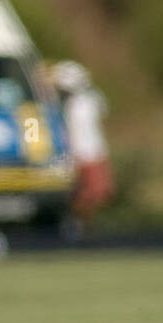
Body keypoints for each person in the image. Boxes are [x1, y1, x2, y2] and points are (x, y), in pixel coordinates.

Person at [48, 60, 115, 230]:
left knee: (98, 193)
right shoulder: (63, 104)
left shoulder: (87, 100)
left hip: (92, 152)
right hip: (76, 154)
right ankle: (72, 224)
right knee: (77, 194)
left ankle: (80, 224)